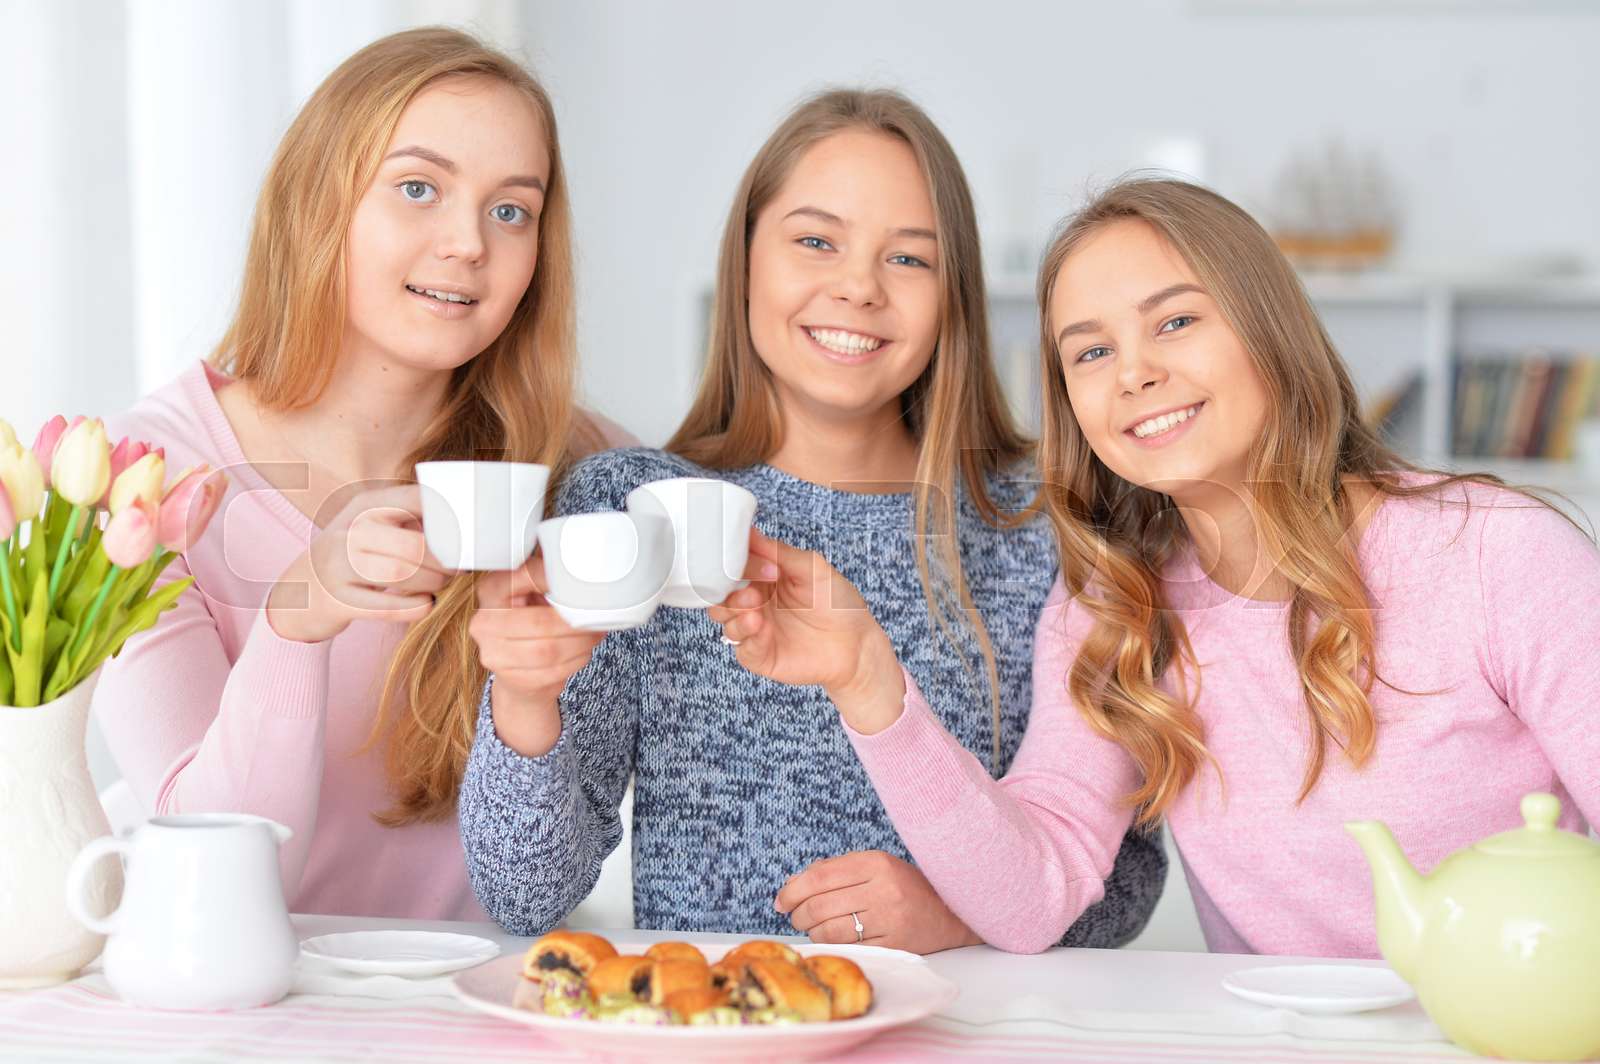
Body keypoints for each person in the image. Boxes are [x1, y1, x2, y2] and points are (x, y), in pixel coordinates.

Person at [710, 177, 1600, 957]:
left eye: (1175, 321)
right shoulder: (1112, 605)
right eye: (1091, 352)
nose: (1134, 373)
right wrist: (868, 679)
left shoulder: (1498, 553)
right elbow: (1029, 899)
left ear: (1270, 329)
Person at [458, 90, 1166, 952]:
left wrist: (959, 922)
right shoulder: (630, 508)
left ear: (955, 296)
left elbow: (1126, 878)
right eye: (816, 241)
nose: (858, 288)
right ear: (746, 258)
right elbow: (524, 896)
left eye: (909, 260)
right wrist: (525, 705)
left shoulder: (1044, 526)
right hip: (713, 1030)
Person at [98, 28, 630, 919]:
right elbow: (215, 893)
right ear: (317, 202)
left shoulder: (587, 475)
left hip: (493, 1017)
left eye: (512, 210)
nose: (468, 242)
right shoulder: (153, 481)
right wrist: (299, 618)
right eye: (418, 188)